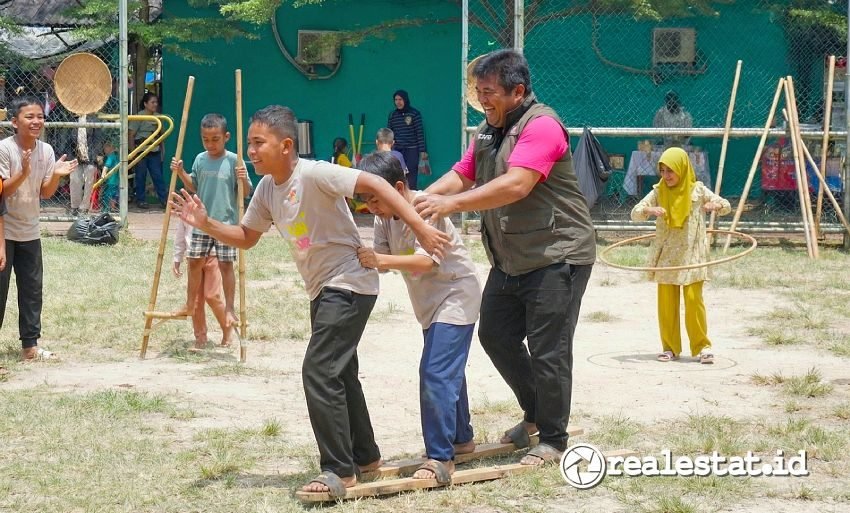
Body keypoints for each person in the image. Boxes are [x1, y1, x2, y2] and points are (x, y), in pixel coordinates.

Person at [169, 105, 450, 496]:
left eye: (258, 143)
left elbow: (380, 185)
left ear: (286, 145)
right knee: (341, 372)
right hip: (322, 288)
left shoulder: (316, 173)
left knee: (318, 370)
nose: (251, 151)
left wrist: (419, 225)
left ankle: (338, 470)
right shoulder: (267, 189)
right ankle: (365, 457)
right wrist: (205, 224)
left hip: (350, 283)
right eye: (249, 143)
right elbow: (247, 237)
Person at [413, 49, 596, 466]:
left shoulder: (543, 126)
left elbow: (516, 185)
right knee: (496, 335)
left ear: (518, 91)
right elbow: (464, 173)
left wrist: (450, 208)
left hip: (557, 255)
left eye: (489, 92)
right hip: (511, 258)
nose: (482, 100)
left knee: (549, 347)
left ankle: (552, 439)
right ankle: (536, 415)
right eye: (478, 92)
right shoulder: (487, 129)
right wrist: (423, 198)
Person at [355, 152, 478, 483]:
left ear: (397, 187)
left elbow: (427, 262)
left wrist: (379, 259)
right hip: (429, 303)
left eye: (374, 199)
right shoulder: (384, 218)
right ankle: (461, 437)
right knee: (447, 369)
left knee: (435, 372)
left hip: (456, 295)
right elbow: (382, 258)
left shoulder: (426, 207)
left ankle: (440, 457)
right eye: (366, 200)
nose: (371, 207)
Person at [630, 147, 730, 364]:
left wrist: (715, 205)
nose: (666, 176)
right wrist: (650, 211)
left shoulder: (698, 191)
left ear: (683, 169)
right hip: (668, 257)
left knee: (694, 301)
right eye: (663, 171)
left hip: (693, 256)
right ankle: (670, 347)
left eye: (671, 171)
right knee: (667, 304)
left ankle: (702, 346)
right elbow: (635, 213)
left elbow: (726, 206)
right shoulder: (658, 191)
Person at [0, 96, 78, 360]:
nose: (36, 122)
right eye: (29, 117)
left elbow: (45, 193)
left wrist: (56, 174)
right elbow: (2, 191)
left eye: (40, 117)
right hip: (4, 232)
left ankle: (30, 347)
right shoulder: (4, 149)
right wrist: (22, 171)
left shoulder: (45, 151)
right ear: (14, 122)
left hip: (30, 230)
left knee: (32, 290)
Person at [170, 113, 250, 333]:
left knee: (226, 265)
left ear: (226, 137)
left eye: (215, 139)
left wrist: (242, 178)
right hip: (201, 222)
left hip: (225, 223)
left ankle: (230, 309)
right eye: (206, 139)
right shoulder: (200, 159)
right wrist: (181, 172)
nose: (210, 143)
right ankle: (189, 303)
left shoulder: (234, 160)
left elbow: (246, 193)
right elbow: (194, 186)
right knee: (194, 261)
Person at [172, 216, 230, 350]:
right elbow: (180, 235)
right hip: (193, 257)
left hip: (213, 254)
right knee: (196, 301)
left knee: (212, 295)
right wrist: (177, 258)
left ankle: (227, 328)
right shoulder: (186, 208)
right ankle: (200, 337)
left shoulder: (213, 204)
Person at [128, 92, 166, 209]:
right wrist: (133, 152)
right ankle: (141, 200)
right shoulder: (140, 116)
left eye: (156, 102)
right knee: (140, 176)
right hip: (141, 151)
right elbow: (131, 135)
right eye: (152, 102)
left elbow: (161, 136)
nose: (155, 104)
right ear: (145, 104)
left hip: (154, 151)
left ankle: (164, 200)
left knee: (158, 176)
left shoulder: (158, 117)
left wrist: (162, 150)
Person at [387, 90, 427, 190]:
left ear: (405, 100)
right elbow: (389, 133)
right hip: (397, 150)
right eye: (396, 100)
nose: (398, 102)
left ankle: (411, 196)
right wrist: (388, 149)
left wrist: (423, 151)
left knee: (411, 174)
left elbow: (420, 133)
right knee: (397, 174)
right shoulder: (392, 115)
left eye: (400, 99)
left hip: (412, 150)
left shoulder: (414, 114)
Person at [69, 114, 98, 216]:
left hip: (90, 156)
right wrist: (68, 157)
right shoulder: (72, 119)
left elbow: (98, 139)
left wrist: (97, 155)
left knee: (89, 180)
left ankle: (84, 207)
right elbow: (67, 140)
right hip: (75, 155)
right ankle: (75, 206)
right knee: (74, 179)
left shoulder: (93, 119)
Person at [100, 139, 120, 212]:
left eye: (105, 148)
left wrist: (103, 174)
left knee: (108, 195)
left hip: (111, 180)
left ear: (111, 147)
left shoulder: (111, 156)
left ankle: (106, 208)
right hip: (117, 180)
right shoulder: (117, 156)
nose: (104, 150)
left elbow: (106, 166)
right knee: (114, 195)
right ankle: (112, 207)